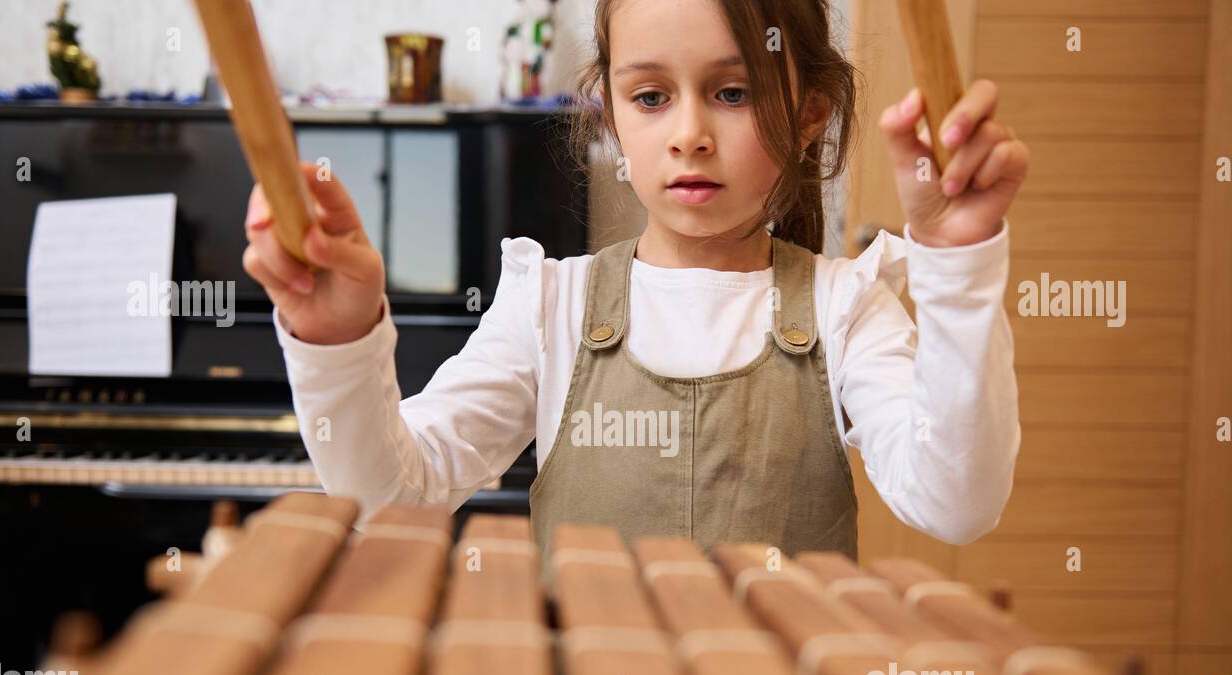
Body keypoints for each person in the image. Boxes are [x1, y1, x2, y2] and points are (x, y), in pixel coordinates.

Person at [242, 0, 1029, 574]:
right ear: (613, 116)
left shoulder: (848, 309)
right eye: (650, 97)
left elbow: (956, 504)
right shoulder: (550, 306)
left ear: (811, 111)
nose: (688, 133)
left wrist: (957, 267)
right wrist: (340, 341)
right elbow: (390, 499)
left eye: (734, 92)